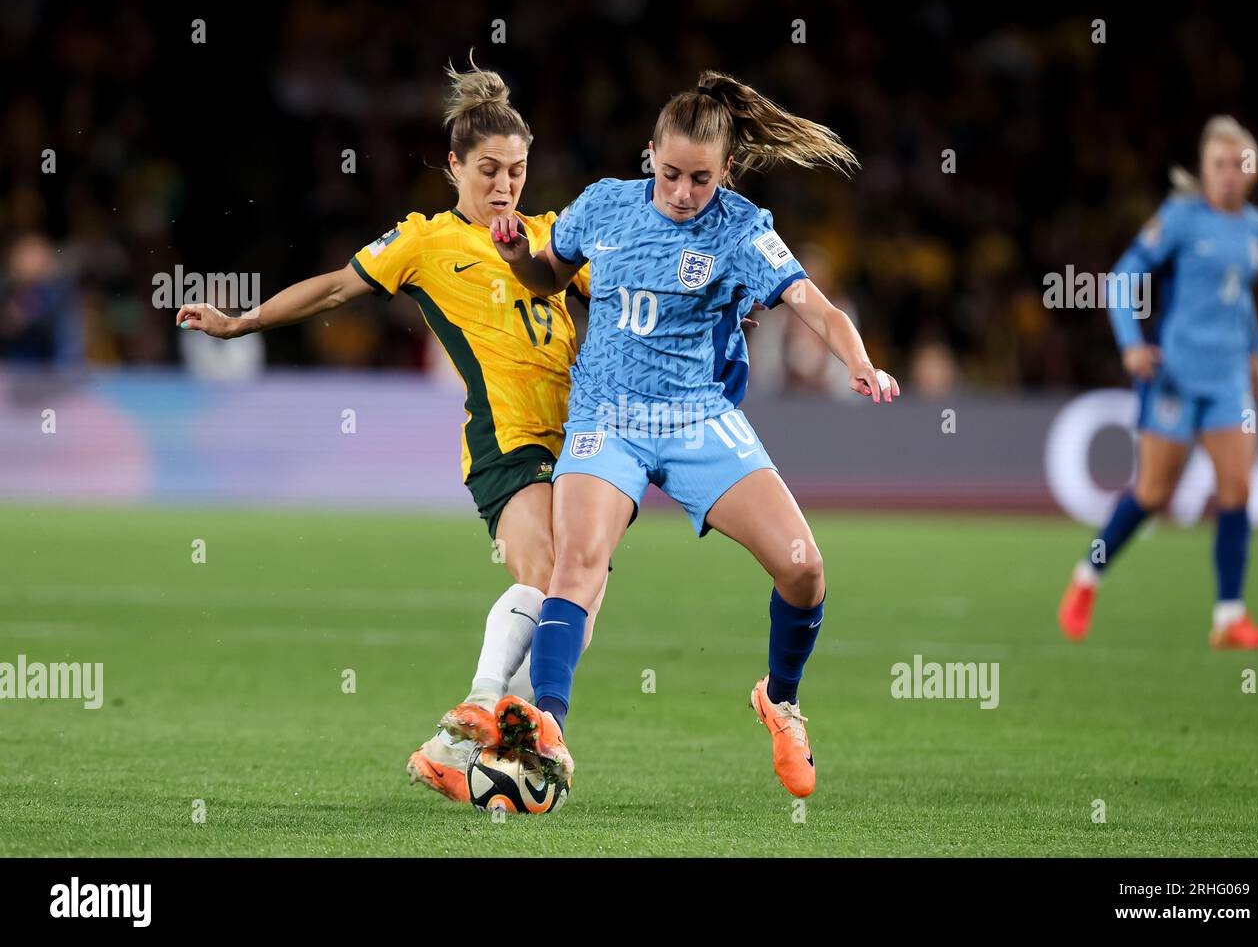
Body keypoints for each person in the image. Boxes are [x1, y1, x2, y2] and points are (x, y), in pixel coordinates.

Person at [176, 58, 607, 802]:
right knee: (547, 581)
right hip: (508, 444)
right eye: (489, 170)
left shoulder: (552, 241)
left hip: (583, 446)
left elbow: (639, 293)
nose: (505, 185)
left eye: (517, 170)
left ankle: (452, 748)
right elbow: (338, 285)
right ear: (453, 166)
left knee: (574, 605)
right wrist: (243, 321)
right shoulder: (426, 242)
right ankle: (480, 704)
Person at [488, 72, 899, 798]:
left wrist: (859, 361)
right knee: (576, 564)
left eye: (700, 179)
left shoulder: (741, 229)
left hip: (697, 419)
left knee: (804, 568)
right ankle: (544, 728)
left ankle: (780, 697)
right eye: (671, 173)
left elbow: (816, 305)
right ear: (650, 156)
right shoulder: (606, 205)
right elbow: (548, 276)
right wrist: (519, 252)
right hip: (607, 416)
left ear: (726, 172)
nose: (682, 192)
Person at [1058, 116, 1258, 651]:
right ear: (1204, 171)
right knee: (1153, 493)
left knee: (1239, 489)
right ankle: (1087, 577)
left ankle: (1229, 618)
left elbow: (1239, 291)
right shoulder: (1180, 219)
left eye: (1238, 165)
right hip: (1176, 376)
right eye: (1219, 164)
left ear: (1252, 172)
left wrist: (1253, 349)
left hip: (1228, 379)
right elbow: (1122, 278)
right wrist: (1131, 343)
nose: (1229, 174)